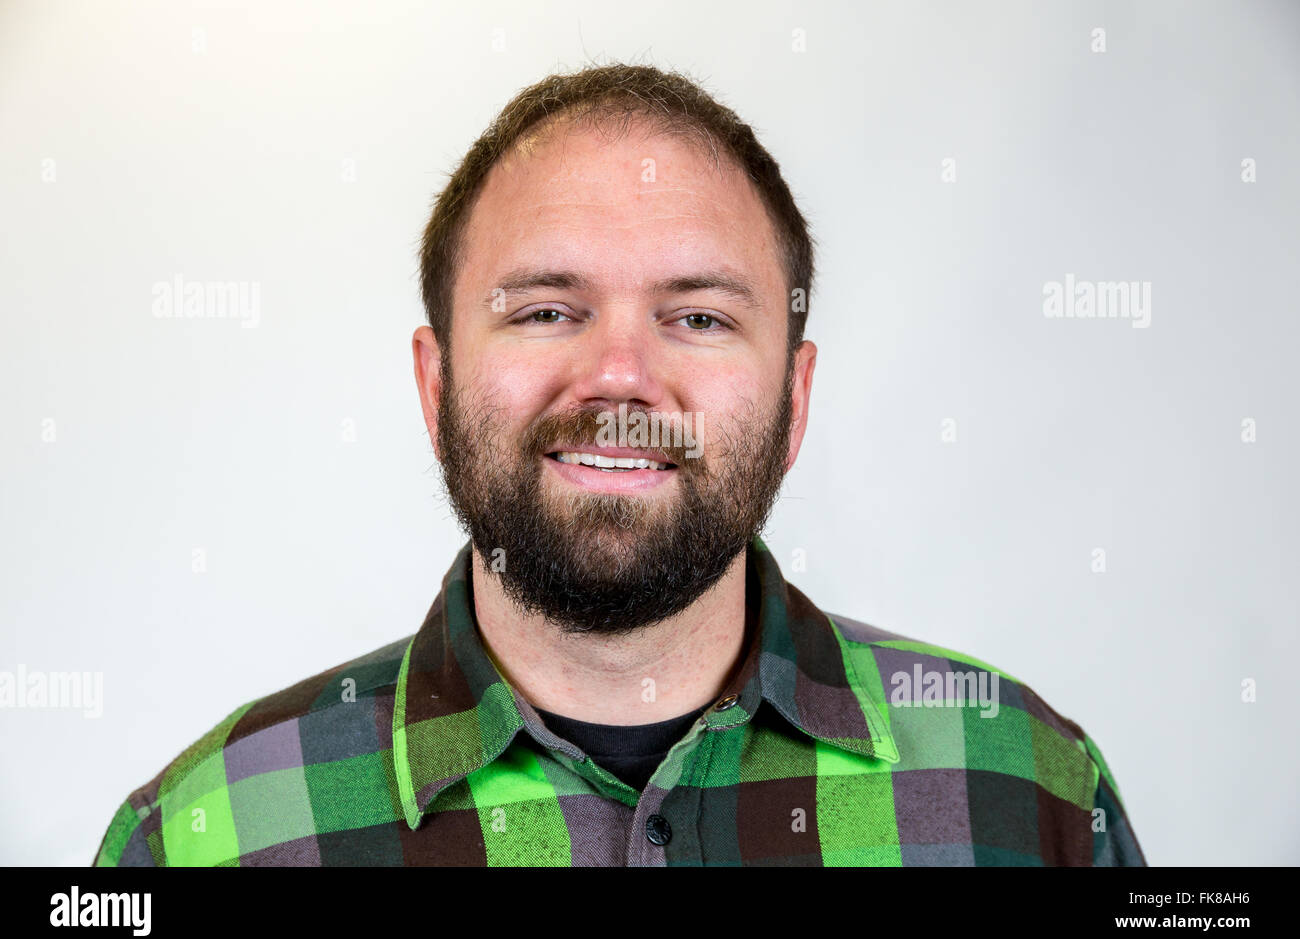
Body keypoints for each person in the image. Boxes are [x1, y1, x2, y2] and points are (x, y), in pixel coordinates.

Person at [94, 62, 1145, 867]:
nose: (619, 376)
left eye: (697, 315)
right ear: (434, 382)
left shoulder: (1029, 787)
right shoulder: (200, 835)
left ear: (795, 398)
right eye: (548, 310)